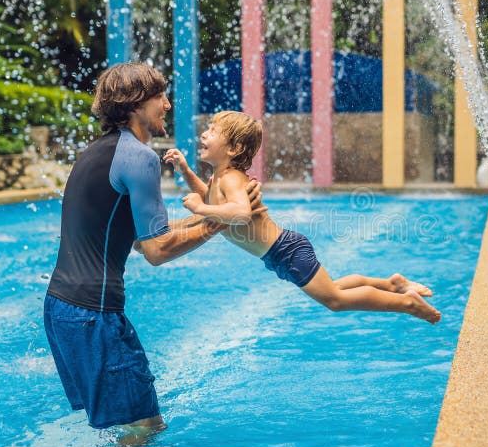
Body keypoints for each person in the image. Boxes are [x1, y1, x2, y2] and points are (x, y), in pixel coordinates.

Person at [43, 64, 265, 431]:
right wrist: (222, 221)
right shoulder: (140, 157)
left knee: (132, 430)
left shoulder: (98, 152)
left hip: (63, 310)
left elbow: (137, 236)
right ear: (135, 105)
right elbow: (158, 250)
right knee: (144, 431)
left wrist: (217, 215)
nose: (166, 105)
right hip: (92, 315)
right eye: (159, 97)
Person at [163, 111, 442, 324]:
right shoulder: (220, 177)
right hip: (277, 254)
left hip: (285, 250)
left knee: (335, 299)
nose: (204, 134)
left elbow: (239, 212)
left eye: (213, 131)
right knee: (333, 288)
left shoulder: (233, 178)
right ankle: (392, 284)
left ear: (234, 149)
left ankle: (406, 303)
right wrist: (186, 171)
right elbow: (213, 198)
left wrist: (200, 209)